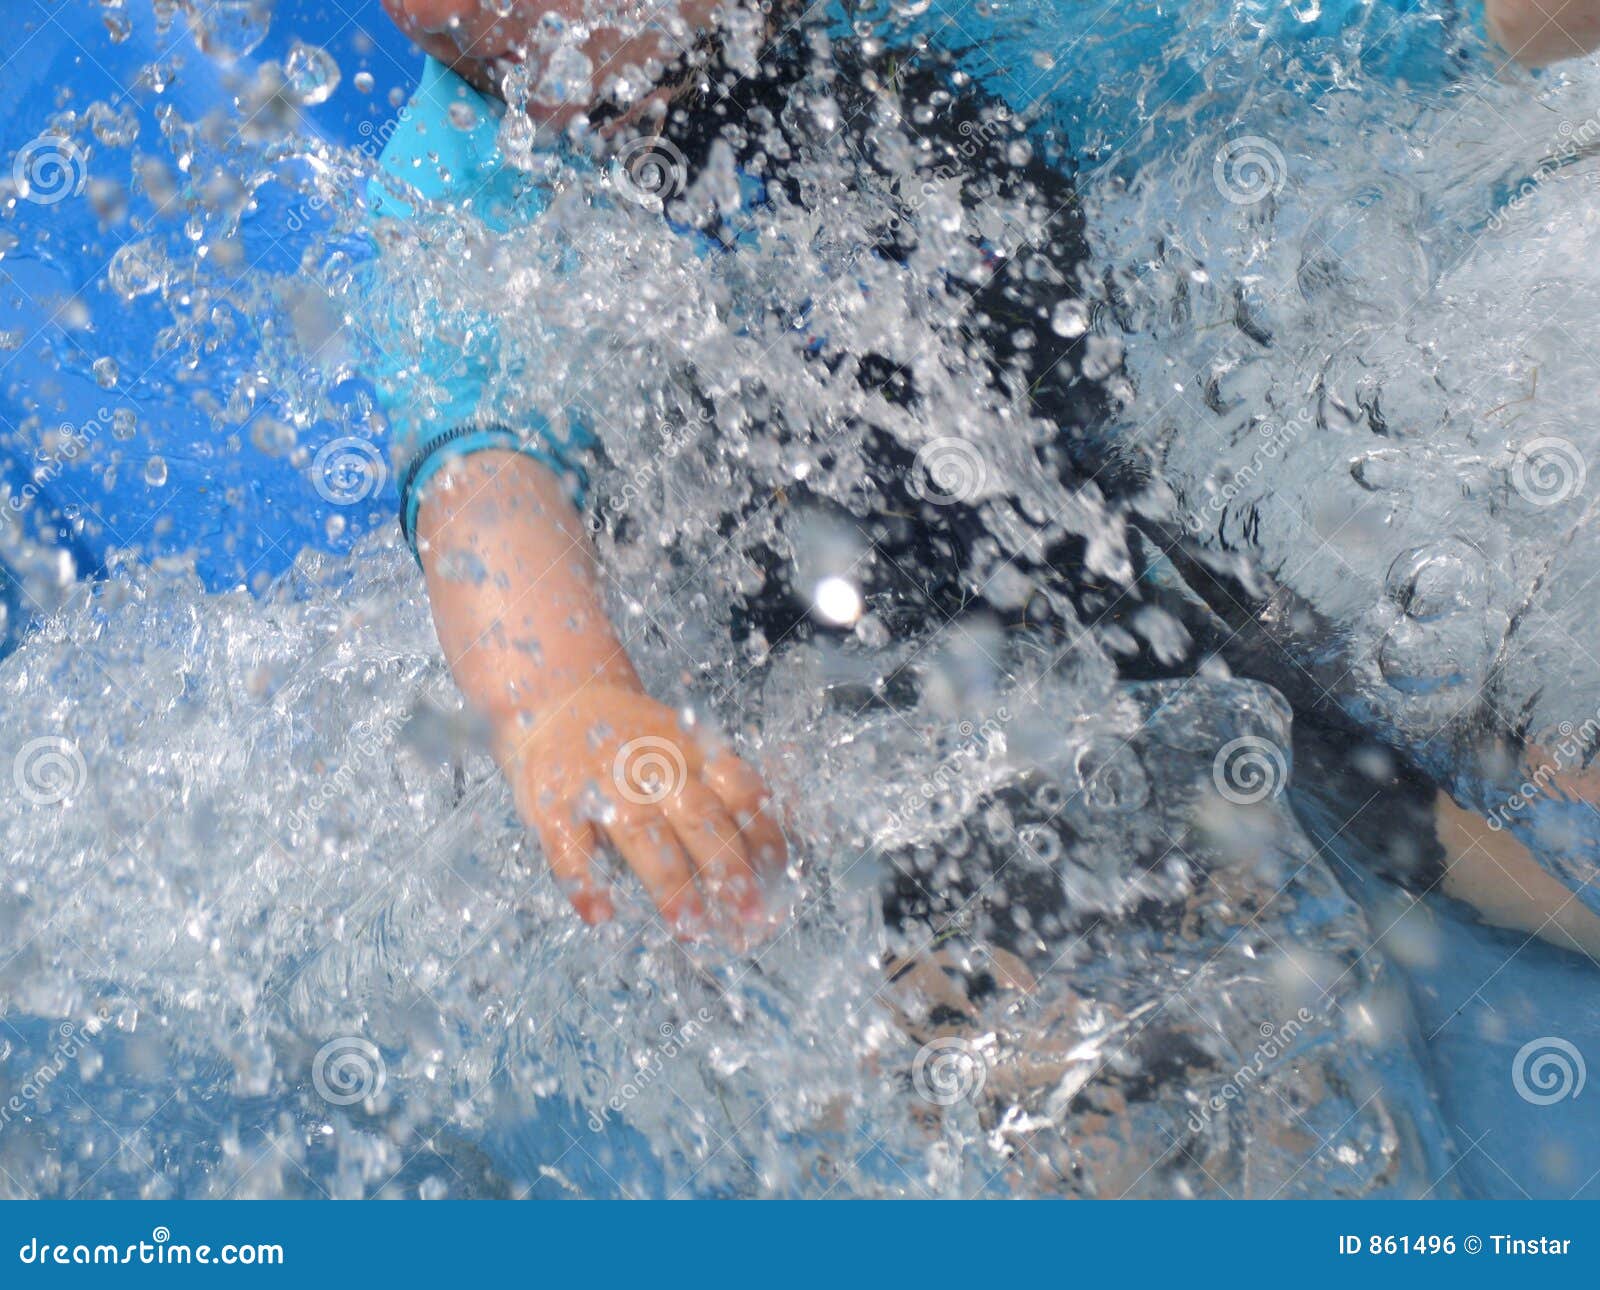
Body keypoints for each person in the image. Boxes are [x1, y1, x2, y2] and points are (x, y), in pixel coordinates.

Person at [370, 0, 1600, 950]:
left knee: (1458, 743)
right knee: (1029, 982)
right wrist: (566, 702)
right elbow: (486, 476)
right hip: (865, 717)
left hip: (1125, 538)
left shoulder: (932, 27)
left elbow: (1329, 36)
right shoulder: (478, 196)